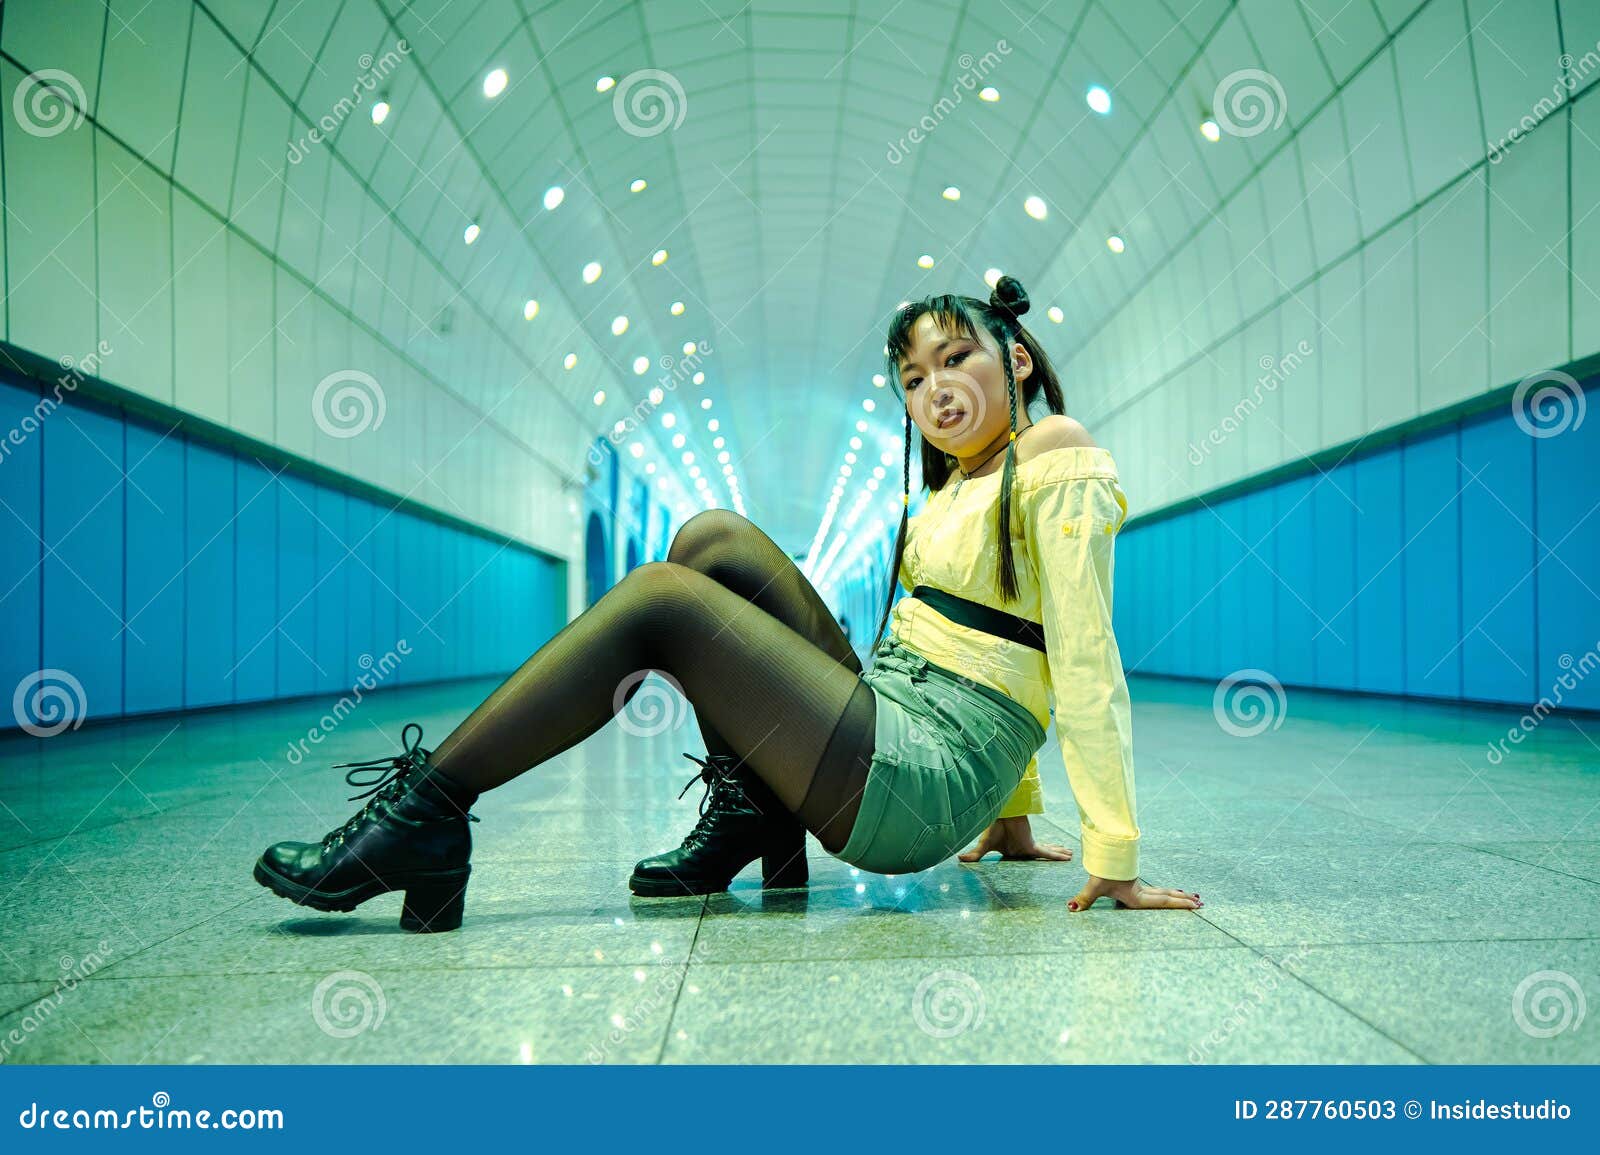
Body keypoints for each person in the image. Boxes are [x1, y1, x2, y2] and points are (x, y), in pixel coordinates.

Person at [252, 275, 1201, 932]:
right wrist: (1015, 816)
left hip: (919, 779)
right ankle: (752, 810)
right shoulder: (948, 485)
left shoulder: (1054, 456)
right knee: (711, 539)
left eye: (958, 360)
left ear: (1019, 360)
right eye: (913, 378)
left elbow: (1076, 651)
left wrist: (1110, 849)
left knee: (664, 602)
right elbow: (998, 631)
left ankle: (426, 814)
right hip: (899, 713)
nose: (935, 390)